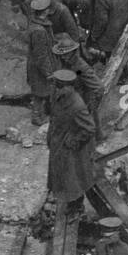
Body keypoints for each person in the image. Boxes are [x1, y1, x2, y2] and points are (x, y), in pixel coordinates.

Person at [48, 69, 97, 206]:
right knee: (60, 172)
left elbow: (89, 128)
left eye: (56, 83)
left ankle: (75, 205)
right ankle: (61, 194)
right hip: (58, 141)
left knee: (72, 178)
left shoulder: (77, 104)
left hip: (68, 146)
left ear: (62, 85)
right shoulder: (61, 96)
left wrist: (73, 141)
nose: (53, 85)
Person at [52, 33, 102, 140]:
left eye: (66, 54)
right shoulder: (66, 62)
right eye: (62, 55)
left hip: (84, 98)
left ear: (73, 53)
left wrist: (92, 103)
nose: (63, 57)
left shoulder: (82, 67)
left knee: (89, 125)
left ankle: (96, 140)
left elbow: (99, 87)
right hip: (73, 96)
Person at [27, 0, 59, 126]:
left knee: (43, 90)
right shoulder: (38, 31)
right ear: (44, 11)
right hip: (39, 67)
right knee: (39, 93)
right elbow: (41, 55)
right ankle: (36, 117)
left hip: (40, 64)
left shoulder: (39, 24)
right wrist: (48, 72)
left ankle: (43, 112)